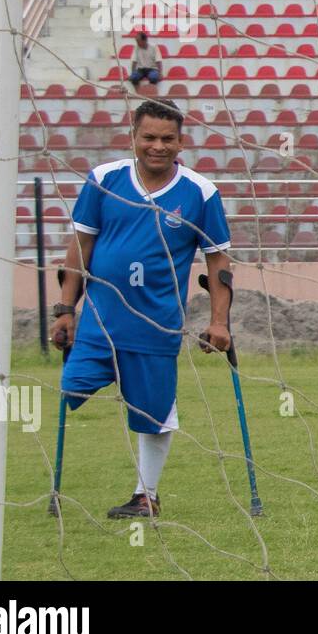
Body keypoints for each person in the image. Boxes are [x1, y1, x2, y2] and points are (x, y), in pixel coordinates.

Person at [52, 99, 232, 518]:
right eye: (149, 137)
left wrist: (219, 322)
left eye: (168, 138)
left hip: (156, 325)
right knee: (72, 386)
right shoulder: (103, 179)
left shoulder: (201, 193)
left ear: (181, 141)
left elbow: (218, 263)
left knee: (153, 414)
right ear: (133, 137)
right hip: (100, 319)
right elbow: (81, 245)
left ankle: (145, 495)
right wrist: (65, 308)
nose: (158, 146)